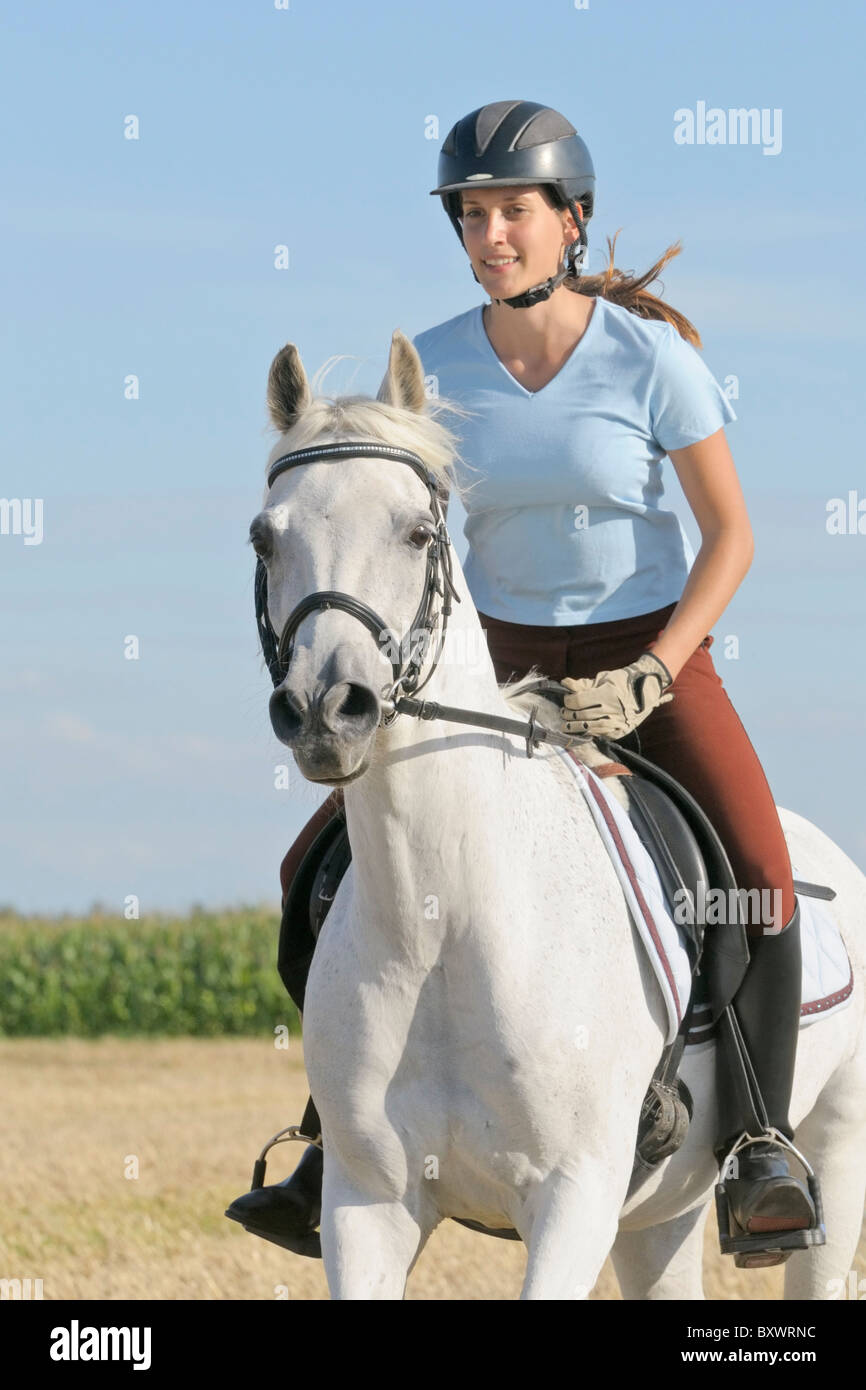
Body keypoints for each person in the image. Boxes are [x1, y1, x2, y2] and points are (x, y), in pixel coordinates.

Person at [226, 99, 817, 1263]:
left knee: (754, 869)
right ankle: (335, 1137)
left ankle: (754, 1142)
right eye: (472, 214)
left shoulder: (653, 360)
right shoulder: (430, 368)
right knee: (313, 870)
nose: (491, 234)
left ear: (571, 219)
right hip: (486, 665)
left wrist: (654, 668)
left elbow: (731, 535)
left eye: (514, 211)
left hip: (652, 650)